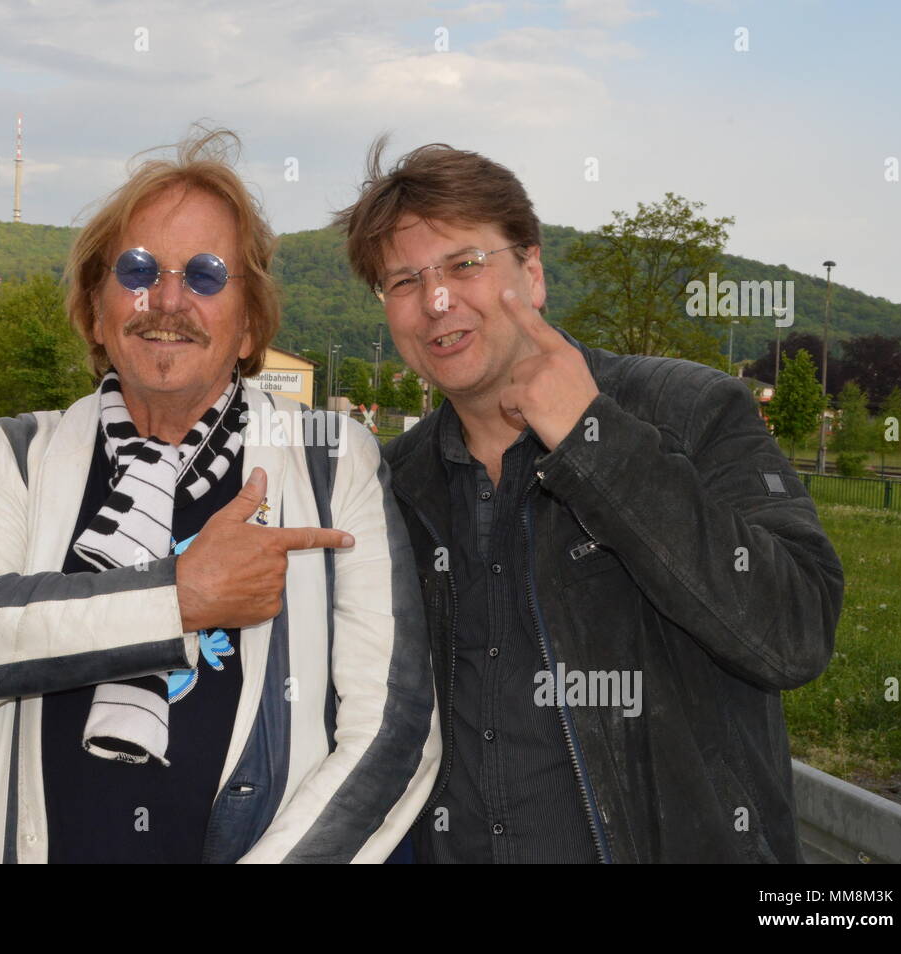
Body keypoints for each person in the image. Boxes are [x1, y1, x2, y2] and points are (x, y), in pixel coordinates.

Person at [0, 128, 438, 863]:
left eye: (208, 274)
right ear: (95, 311)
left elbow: (394, 729)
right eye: (137, 269)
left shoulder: (331, 459)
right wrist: (180, 598)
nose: (169, 298)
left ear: (249, 325)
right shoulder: (18, 454)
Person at [332, 139, 844, 863]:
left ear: (532, 273)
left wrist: (592, 440)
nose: (437, 300)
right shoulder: (391, 485)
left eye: (464, 264)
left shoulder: (692, 409)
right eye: (404, 281)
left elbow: (796, 630)